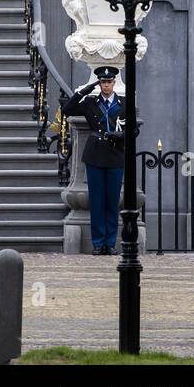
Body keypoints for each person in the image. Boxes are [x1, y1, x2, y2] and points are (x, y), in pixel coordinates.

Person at [62, 65, 139, 256]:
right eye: (103, 82)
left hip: (115, 153)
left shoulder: (124, 102)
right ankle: (98, 243)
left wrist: (120, 136)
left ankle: (110, 243)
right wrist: (86, 90)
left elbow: (134, 130)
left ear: (114, 83)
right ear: (99, 84)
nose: (106, 85)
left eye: (109, 82)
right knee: (96, 201)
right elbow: (67, 109)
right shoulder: (90, 102)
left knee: (112, 201)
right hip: (95, 154)